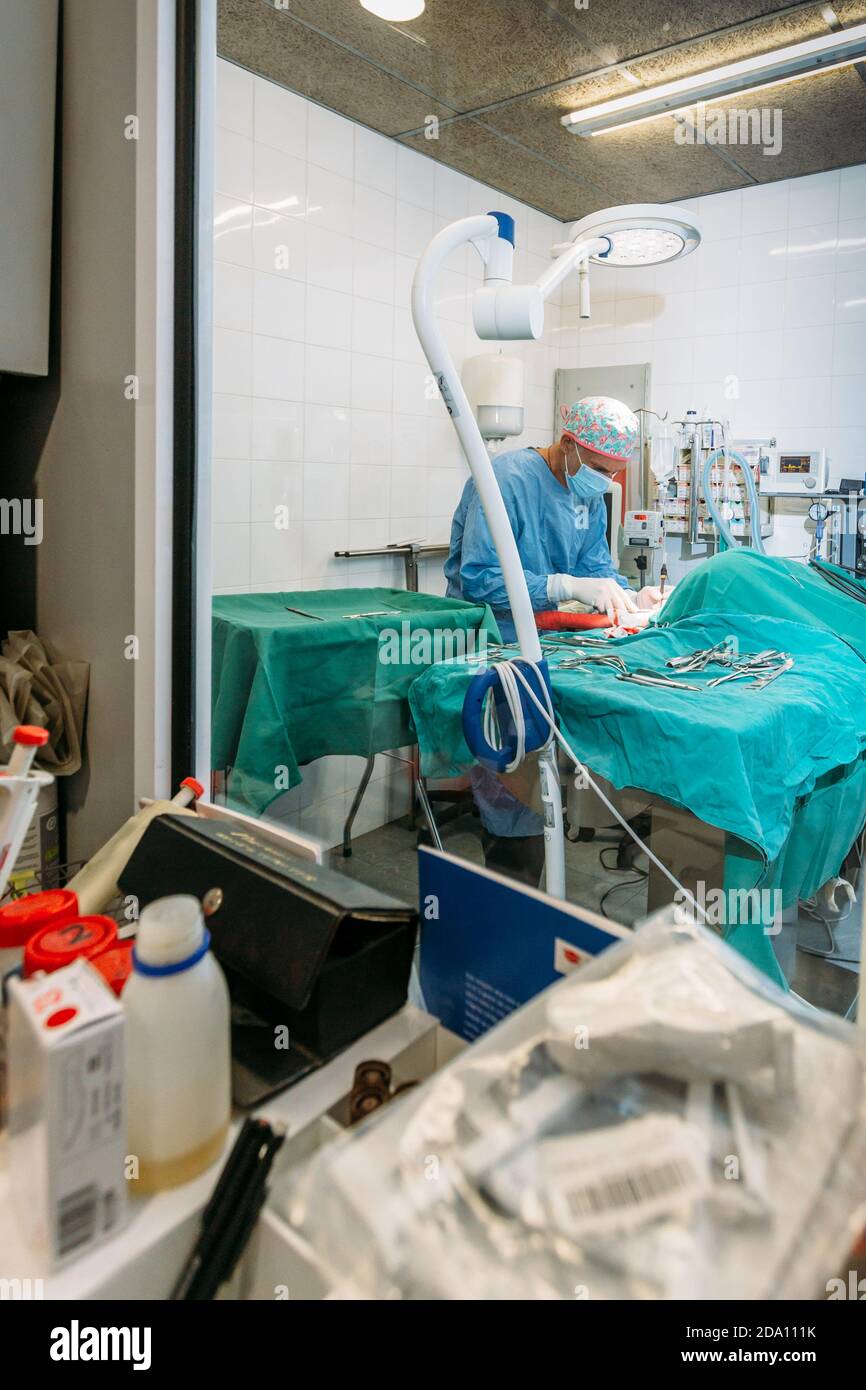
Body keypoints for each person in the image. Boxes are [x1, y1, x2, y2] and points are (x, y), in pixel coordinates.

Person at [444, 395, 663, 885]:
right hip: (493, 644)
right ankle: (511, 892)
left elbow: (596, 569)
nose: (606, 482)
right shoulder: (505, 481)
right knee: (512, 781)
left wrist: (628, 596)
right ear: (568, 444)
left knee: (541, 765)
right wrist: (563, 587)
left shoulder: (585, 493)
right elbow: (479, 578)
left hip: (545, 643)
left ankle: (532, 858)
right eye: (602, 468)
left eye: (614, 473)